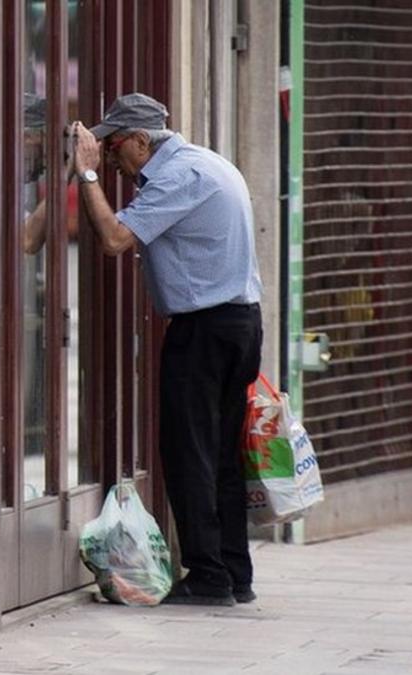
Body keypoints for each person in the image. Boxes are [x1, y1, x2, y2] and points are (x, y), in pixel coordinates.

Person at [71, 93, 264, 607]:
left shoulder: (180, 176)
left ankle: (209, 576)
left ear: (140, 140)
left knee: (189, 452)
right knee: (220, 452)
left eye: (113, 146)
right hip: (236, 323)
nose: (109, 157)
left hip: (206, 329)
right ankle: (233, 573)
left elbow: (115, 239)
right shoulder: (204, 163)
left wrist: (86, 176)